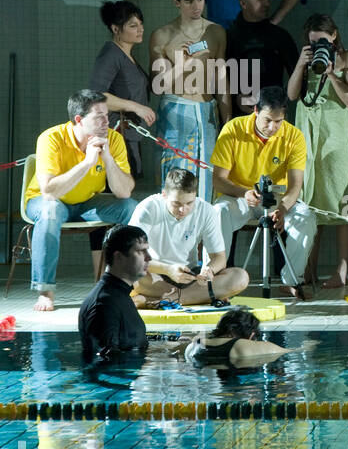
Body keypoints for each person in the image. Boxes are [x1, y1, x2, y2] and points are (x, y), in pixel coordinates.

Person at [26, 91, 138, 312]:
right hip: (47, 202)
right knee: (50, 212)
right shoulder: (51, 138)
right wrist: (87, 162)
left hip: (87, 203)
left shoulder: (113, 140)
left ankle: (127, 283)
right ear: (79, 119)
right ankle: (45, 291)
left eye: (107, 115)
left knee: (131, 208)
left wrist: (107, 158)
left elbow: (124, 192)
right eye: (99, 116)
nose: (107, 121)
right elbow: (49, 192)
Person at [210, 86, 316, 299]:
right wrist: (244, 193)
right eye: (267, 119)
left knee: (306, 217)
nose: (272, 127)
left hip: (277, 199)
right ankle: (213, 276)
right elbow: (218, 181)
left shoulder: (294, 136)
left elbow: (295, 185)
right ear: (255, 110)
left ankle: (291, 280)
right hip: (239, 196)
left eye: (278, 121)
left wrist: (284, 208)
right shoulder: (233, 129)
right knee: (218, 212)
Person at [287, 14, 348, 288]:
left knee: (343, 204)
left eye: (323, 41)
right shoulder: (305, 61)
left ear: (335, 36)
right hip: (306, 139)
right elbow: (292, 96)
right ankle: (308, 266)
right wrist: (300, 65)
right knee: (307, 204)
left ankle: (341, 270)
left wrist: (330, 71)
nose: (319, 46)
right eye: (314, 42)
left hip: (335, 140)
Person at [147, 0, 229, 200]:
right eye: (189, 1)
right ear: (176, 2)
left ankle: (200, 234)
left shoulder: (216, 32)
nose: (196, 6)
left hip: (206, 109)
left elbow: (221, 79)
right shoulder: (162, 35)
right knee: (175, 176)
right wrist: (184, 64)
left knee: (208, 177)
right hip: (176, 109)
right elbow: (157, 85)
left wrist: (228, 121)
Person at [129, 168, 249, 307]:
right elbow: (132, 256)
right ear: (164, 195)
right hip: (154, 275)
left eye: (189, 203)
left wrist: (209, 270)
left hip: (190, 277)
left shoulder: (206, 210)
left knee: (240, 278)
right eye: (177, 203)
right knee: (130, 271)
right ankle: (198, 297)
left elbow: (219, 258)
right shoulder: (148, 207)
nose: (183, 209)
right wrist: (168, 269)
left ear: (195, 196)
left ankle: (159, 300)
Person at [90, 0, 156, 179]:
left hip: (130, 134)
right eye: (133, 25)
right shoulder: (111, 54)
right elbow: (96, 95)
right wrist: (135, 107)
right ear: (116, 29)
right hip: (116, 133)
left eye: (141, 24)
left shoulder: (126, 55)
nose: (140, 29)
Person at [224, 0, 300, 115]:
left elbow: (299, 76)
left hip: (274, 115)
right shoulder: (228, 37)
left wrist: (281, 103)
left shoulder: (280, 36)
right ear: (243, 3)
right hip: (240, 117)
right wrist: (236, 98)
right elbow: (220, 79)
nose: (267, 3)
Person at [79, 224, 150, 363]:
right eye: (141, 252)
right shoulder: (104, 304)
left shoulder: (119, 294)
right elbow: (107, 365)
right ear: (119, 257)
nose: (149, 258)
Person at [180, 307, 303, 368]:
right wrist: (308, 346)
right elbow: (289, 352)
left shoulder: (193, 345)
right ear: (252, 335)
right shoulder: (243, 346)